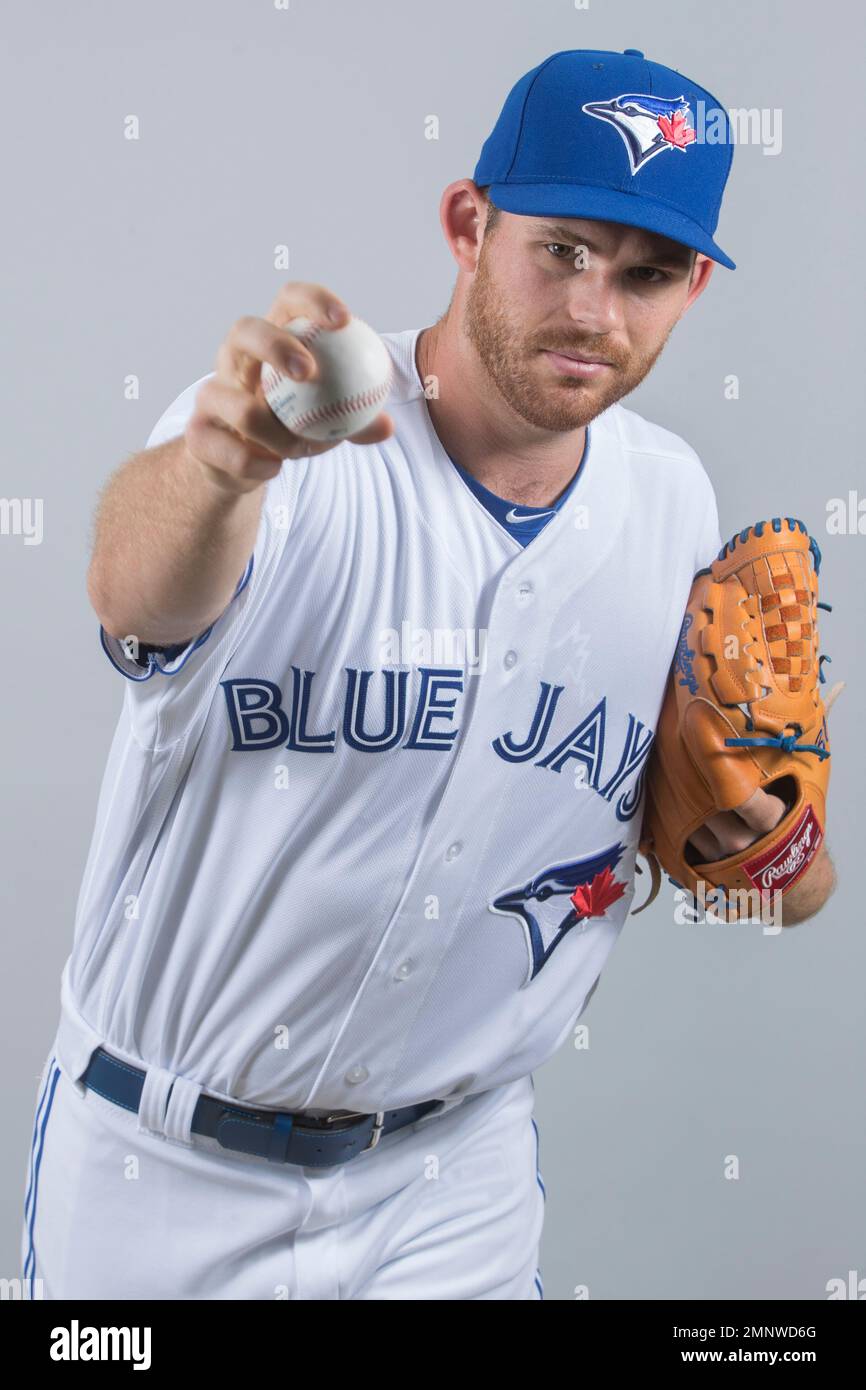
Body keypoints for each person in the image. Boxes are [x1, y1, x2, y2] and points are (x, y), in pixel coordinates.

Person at [22, 47, 834, 1302]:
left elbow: (783, 900)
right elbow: (135, 596)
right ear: (469, 224)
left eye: (647, 274)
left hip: (452, 1186)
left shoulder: (673, 504)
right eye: (560, 249)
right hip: (156, 1173)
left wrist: (769, 854)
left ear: (694, 288)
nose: (594, 314)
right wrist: (220, 470)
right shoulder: (295, 438)